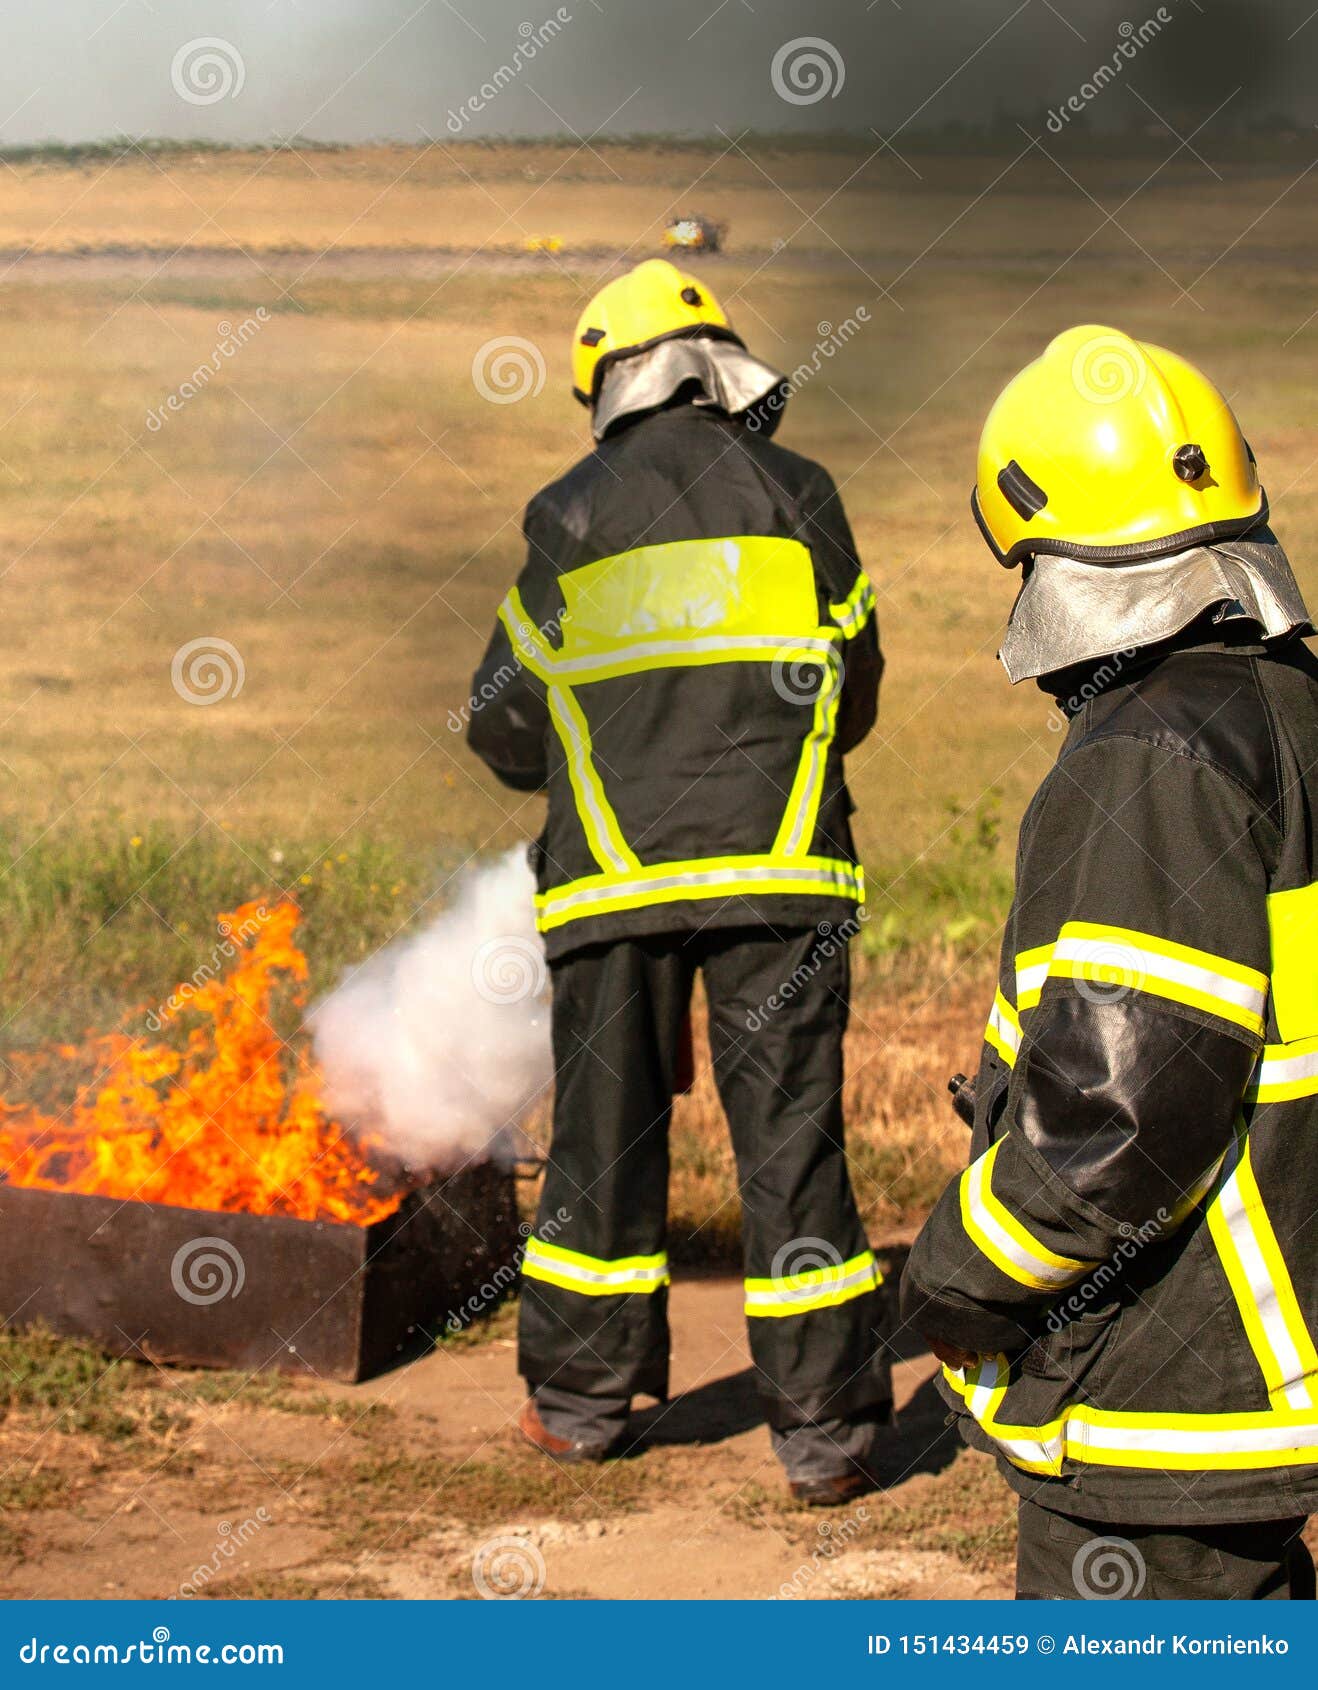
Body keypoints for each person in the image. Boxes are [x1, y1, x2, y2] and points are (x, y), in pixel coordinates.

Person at [902, 325, 1318, 1599]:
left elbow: (1120, 1118)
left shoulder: (1148, 756)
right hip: (1267, 1348)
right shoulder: (1292, 710)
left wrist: (957, 1274)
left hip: (1168, 1389)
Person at [467, 258, 889, 1502]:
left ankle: (580, 1406)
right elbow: (855, 684)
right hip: (785, 875)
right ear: (718, 371)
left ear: (609, 382)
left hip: (612, 887)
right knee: (795, 1146)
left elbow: (501, 720)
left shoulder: (568, 511)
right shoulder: (802, 493)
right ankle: (826, 1436)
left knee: (601, 1146)